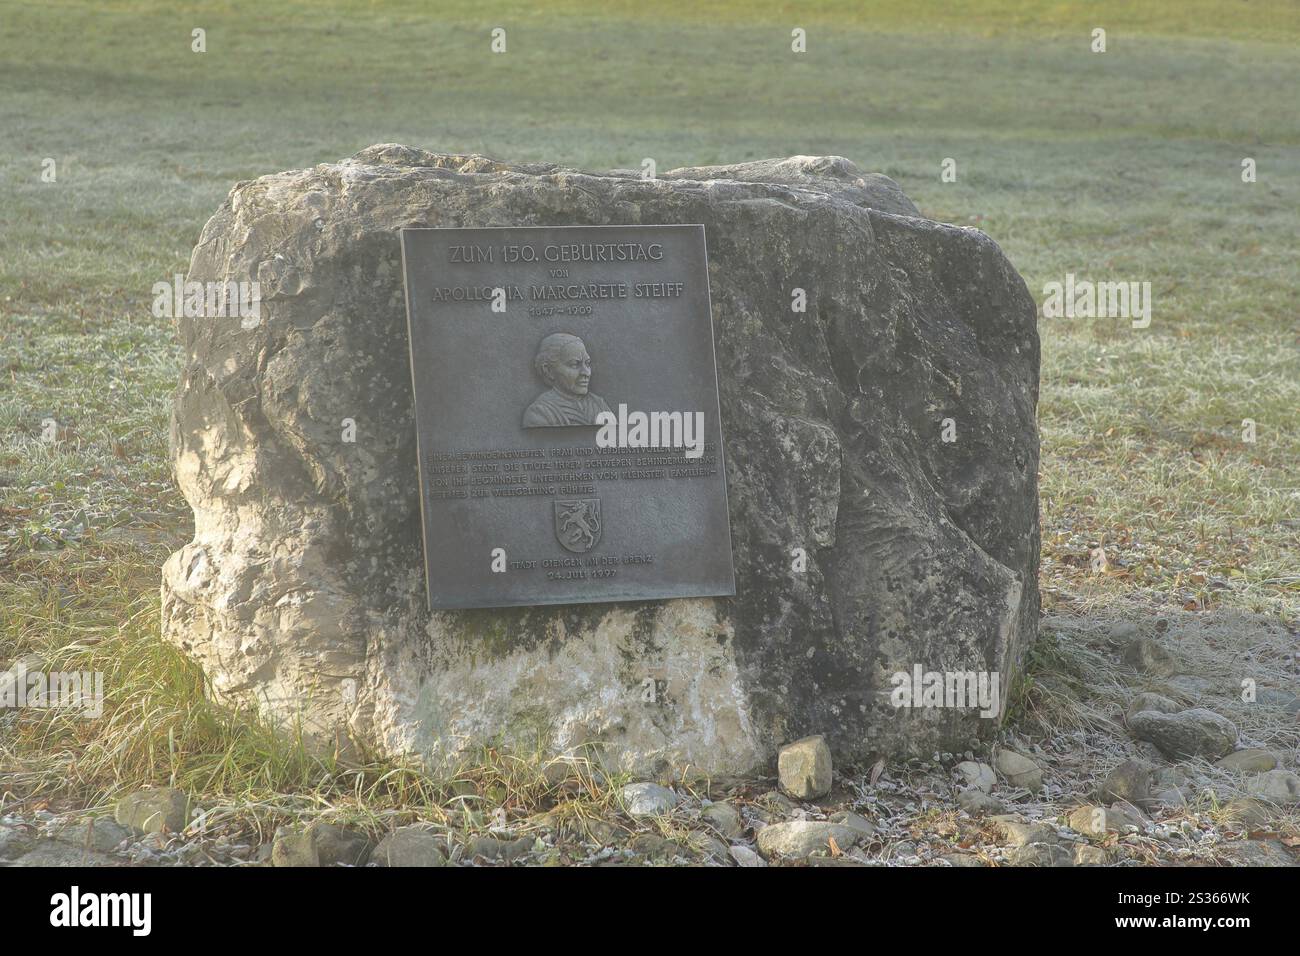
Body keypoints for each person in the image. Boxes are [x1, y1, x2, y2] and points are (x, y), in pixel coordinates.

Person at [522, 333, 612, 427]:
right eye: (574, 364)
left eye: (587, 364)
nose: (586, 373)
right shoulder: (540, 413)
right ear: (549, 371)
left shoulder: (598, 404)